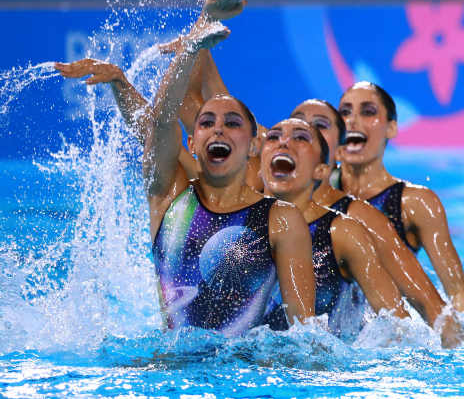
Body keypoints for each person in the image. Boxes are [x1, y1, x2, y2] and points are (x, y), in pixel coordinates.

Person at [73, 0, 464, 343]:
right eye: (278, 134)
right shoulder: (240, 197)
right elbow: (169, 125)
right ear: (259, 148)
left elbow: (404, 317)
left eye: (311, 132)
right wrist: (198, 35)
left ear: (327, 159)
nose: (287, 142)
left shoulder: (345, 226)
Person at [56, 24, 317, 337]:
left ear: (253, 146)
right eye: (207, 123)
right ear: (192, 144)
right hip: (169, 368)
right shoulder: (169, 196)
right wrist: (188, 51)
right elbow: (161, 123)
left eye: (232, 123)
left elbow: (305, 332)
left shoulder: (282, 219)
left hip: (247, 374)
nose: (218, 130)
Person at [258, 117, 417, 336]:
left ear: (321, 171)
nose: (283, 143)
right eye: (273, 136)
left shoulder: (342, 233)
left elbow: (400, 327)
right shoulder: (239, 224)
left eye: (300, 138)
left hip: (319, 366)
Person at [336, 82, 464, 316]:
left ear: (391, 128)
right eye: (345, 112)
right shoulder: (313, 192)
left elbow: (458, 293)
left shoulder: (414, 203)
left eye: (368, 112)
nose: (352, 120)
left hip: (385, 333)